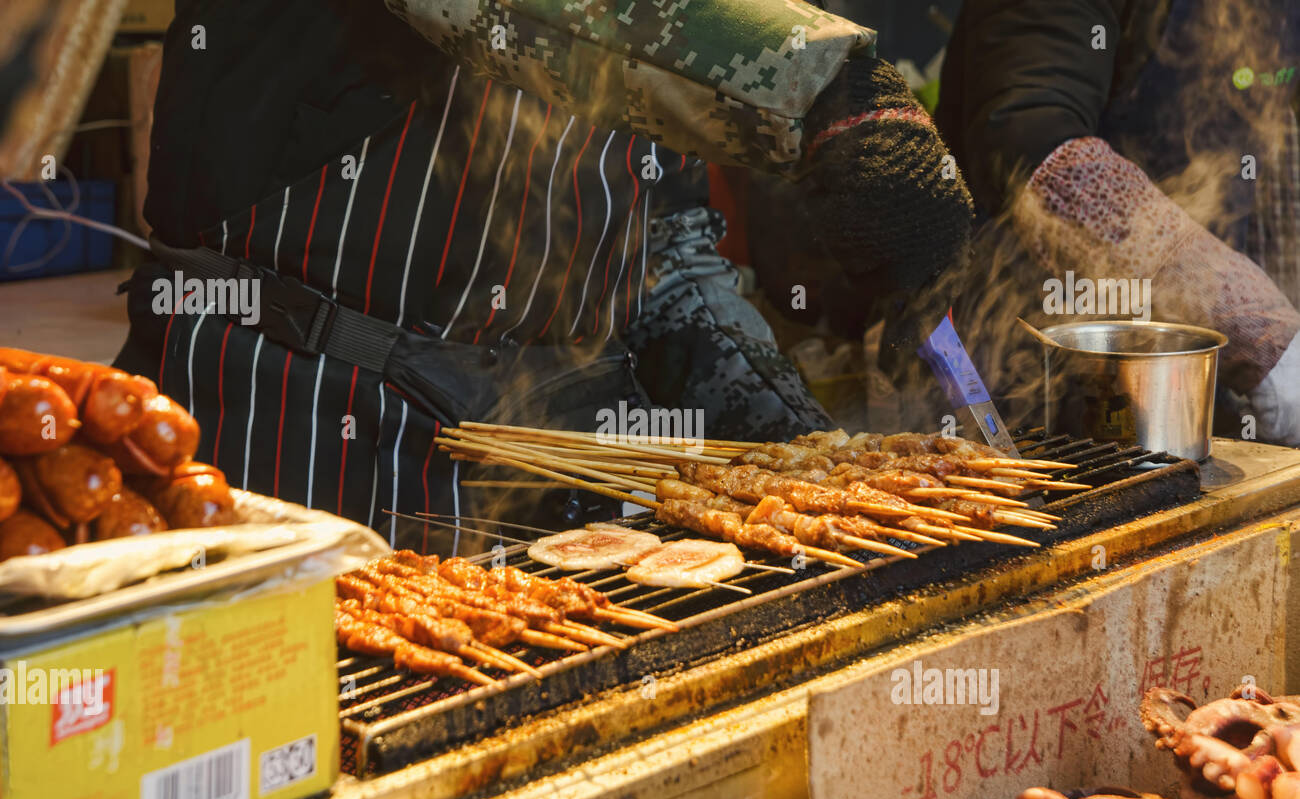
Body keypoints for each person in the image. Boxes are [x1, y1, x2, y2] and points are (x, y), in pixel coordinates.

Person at [113, 0, 973, 549]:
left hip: (524, 480)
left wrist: (801, 447)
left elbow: (664, 249)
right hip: (297, 442)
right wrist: (828, 94)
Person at [936, 0, 1300, 446]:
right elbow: (1032, 146)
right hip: (1023, 389)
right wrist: (1259, 329)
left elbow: (1270, 149)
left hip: (1192, 393)